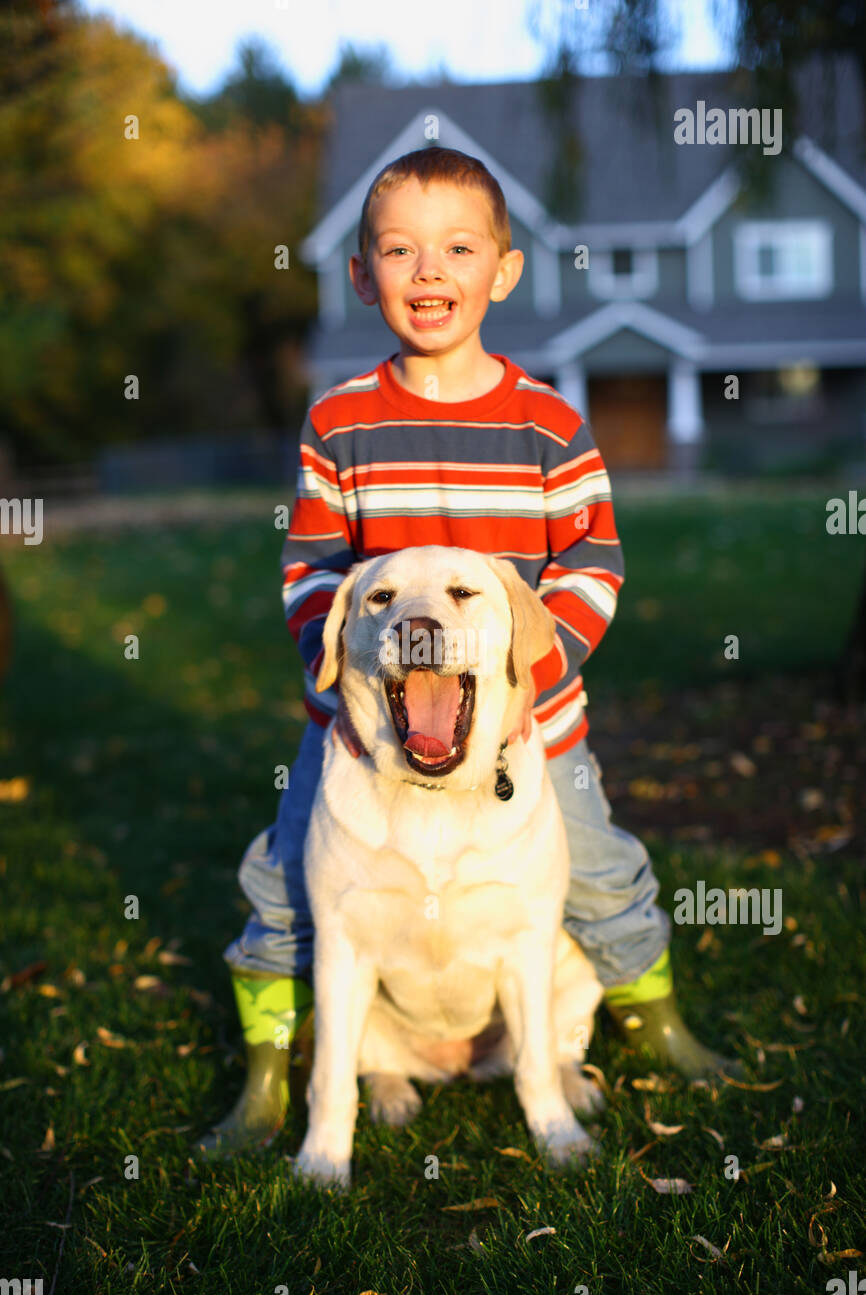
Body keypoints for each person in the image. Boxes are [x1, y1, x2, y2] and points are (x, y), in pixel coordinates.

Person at [195, 145, 738, 1159]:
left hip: (526, 720)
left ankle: (655, 1022)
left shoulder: (549, 424)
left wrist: (527, 682)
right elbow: (312, 568)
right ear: (361, 275)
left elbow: (591, 562)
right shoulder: (339, 421)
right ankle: (269, 1077)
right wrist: (334, 668)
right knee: (279, 878)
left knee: (599, 870)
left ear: (503, 270)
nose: (428, 271)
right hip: (363, 728)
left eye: (456, 247)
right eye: (398, 250)